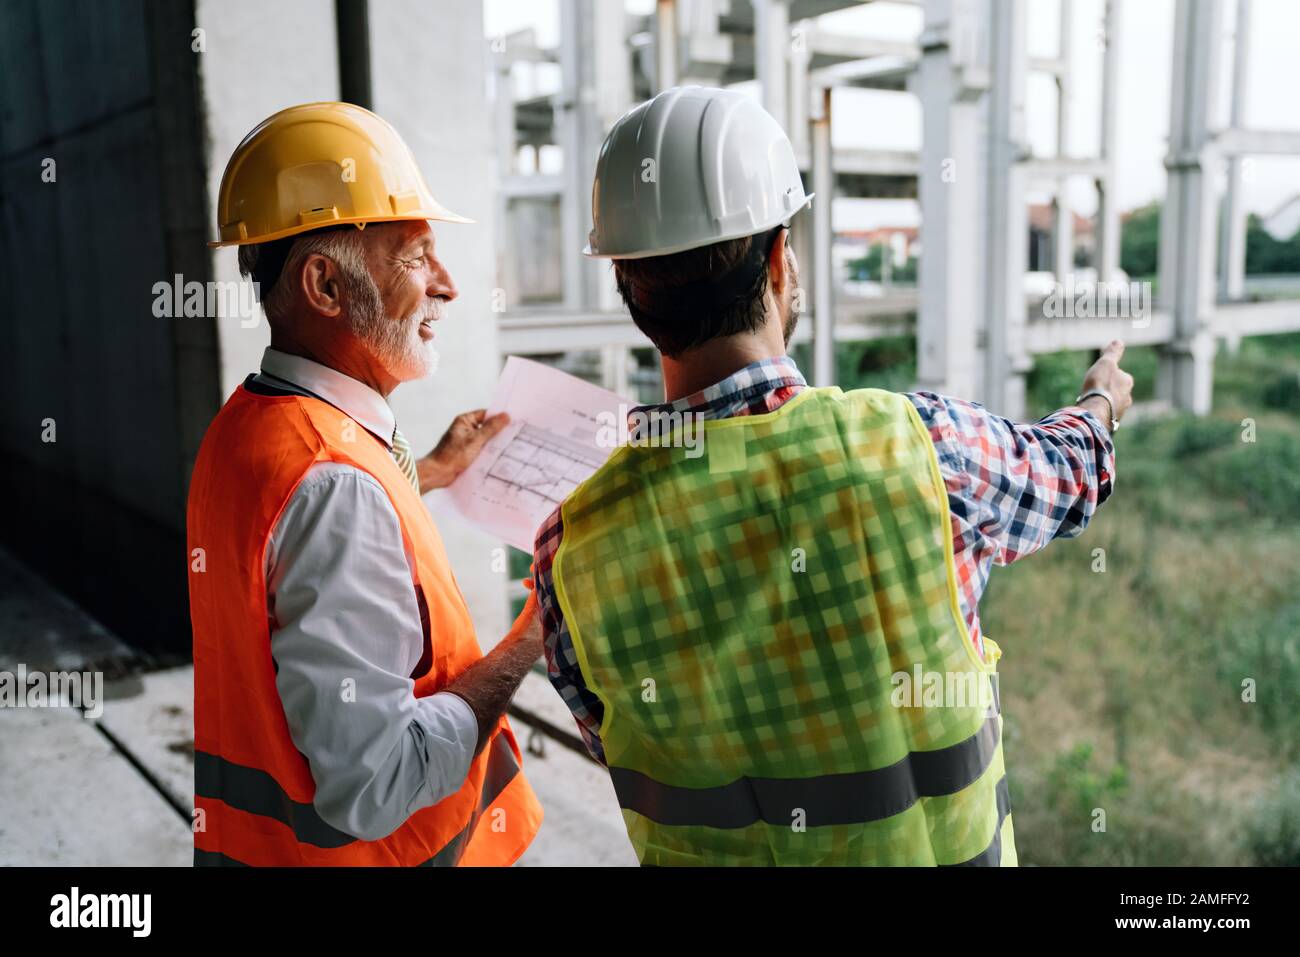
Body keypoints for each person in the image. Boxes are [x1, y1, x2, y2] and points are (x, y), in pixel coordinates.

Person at [533, 86, 1132, 866]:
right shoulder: (918, 446)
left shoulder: (569, 549)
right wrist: (1099, 400)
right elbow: (1067, 475)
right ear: (780, 258)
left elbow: (618, 743)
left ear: (627, 289)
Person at [189, 102, 542, 866]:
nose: (446, 285)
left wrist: (431, 472)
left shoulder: (245, 426)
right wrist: (532, 635)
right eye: (415, 257)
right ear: (324, 283)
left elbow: (300, 564)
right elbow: (375, 783)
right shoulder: (336, 486)